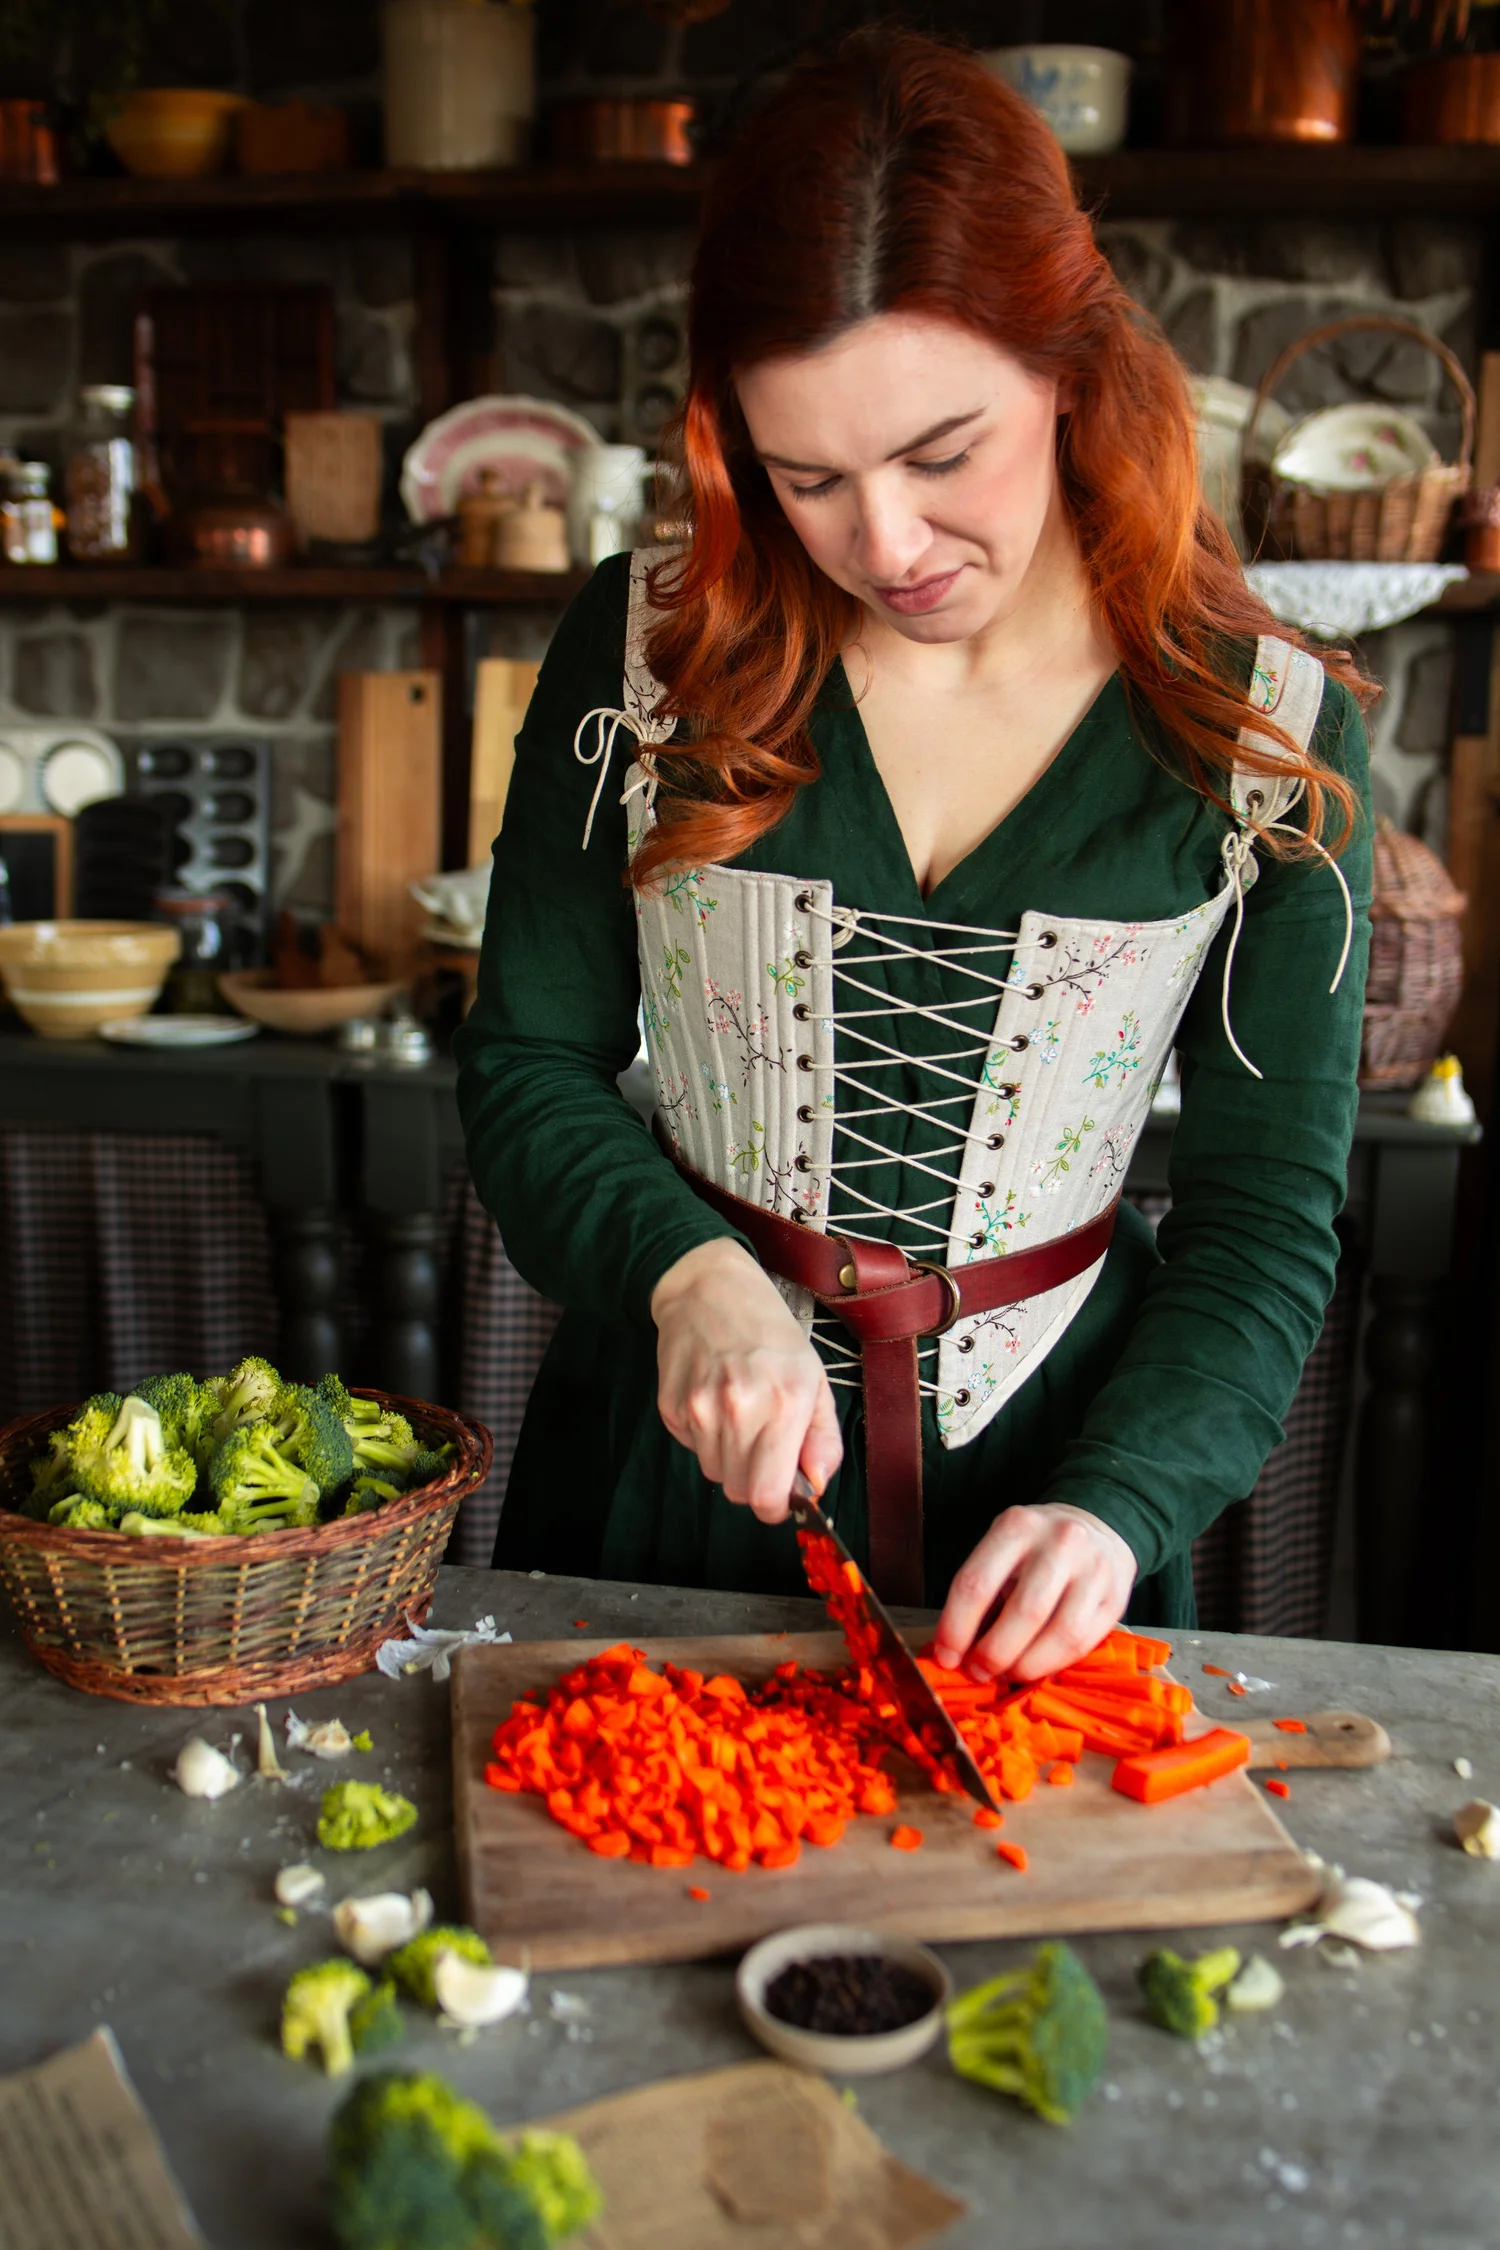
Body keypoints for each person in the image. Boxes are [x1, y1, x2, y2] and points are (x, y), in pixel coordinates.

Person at [455, 29, 1373, 1684]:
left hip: (1061, 1507)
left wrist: (1121, 1501)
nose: (884, 544)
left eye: (943, 455)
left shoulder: (1262, 735)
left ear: (1072, 366)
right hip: (672, 1469)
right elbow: (531, 1058)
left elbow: (1264, 1216)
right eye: (807, 476)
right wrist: (686, 1279)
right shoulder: (648, 651)